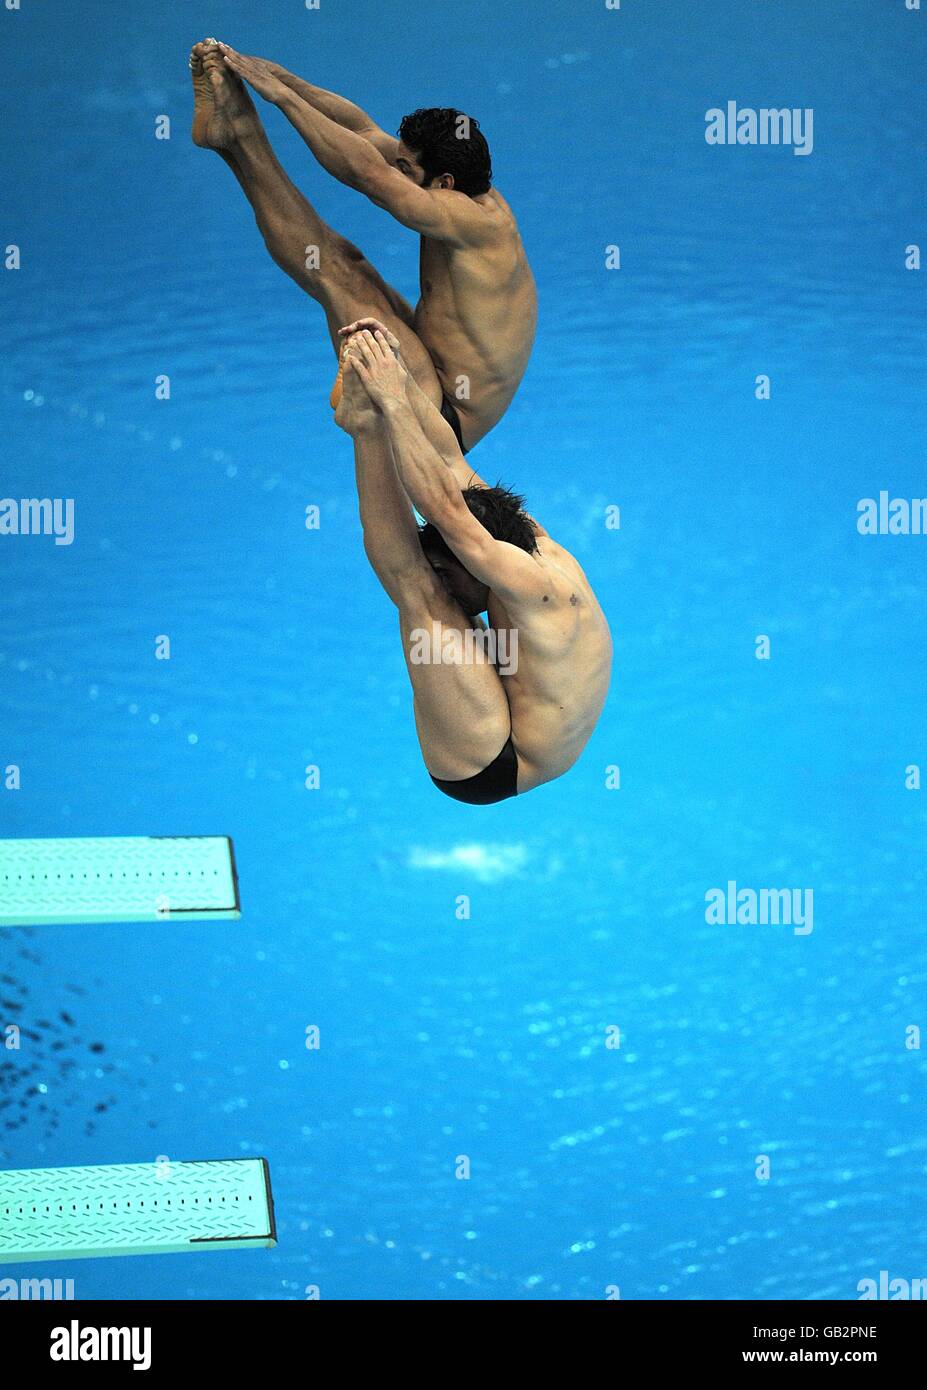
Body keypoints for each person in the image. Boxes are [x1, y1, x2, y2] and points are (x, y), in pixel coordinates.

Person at [191, 39, 537, 451]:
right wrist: (278, 76)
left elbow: (366, 175)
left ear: (444, 184)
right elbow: (362, 133)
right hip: (432, 363)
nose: (396, 166)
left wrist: (280, 97)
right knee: (347, 261)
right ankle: (232, 137)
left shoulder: (476, 222)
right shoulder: (456, 185)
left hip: (444, 418)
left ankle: (241, 135)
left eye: (405, 168)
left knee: (333, 273)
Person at [334, 321, 612, 804]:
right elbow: (450, 460)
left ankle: (364, 429)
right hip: (534, 719)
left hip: (494, 763)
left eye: (452, 571)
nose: (454, 587)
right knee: (431, 569)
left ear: (478, 564)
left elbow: (445, 509)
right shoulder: (532, 539)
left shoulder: (530, 584)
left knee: (419, 592)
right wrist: (394, 376)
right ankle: (367, 420)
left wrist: (386, 412)